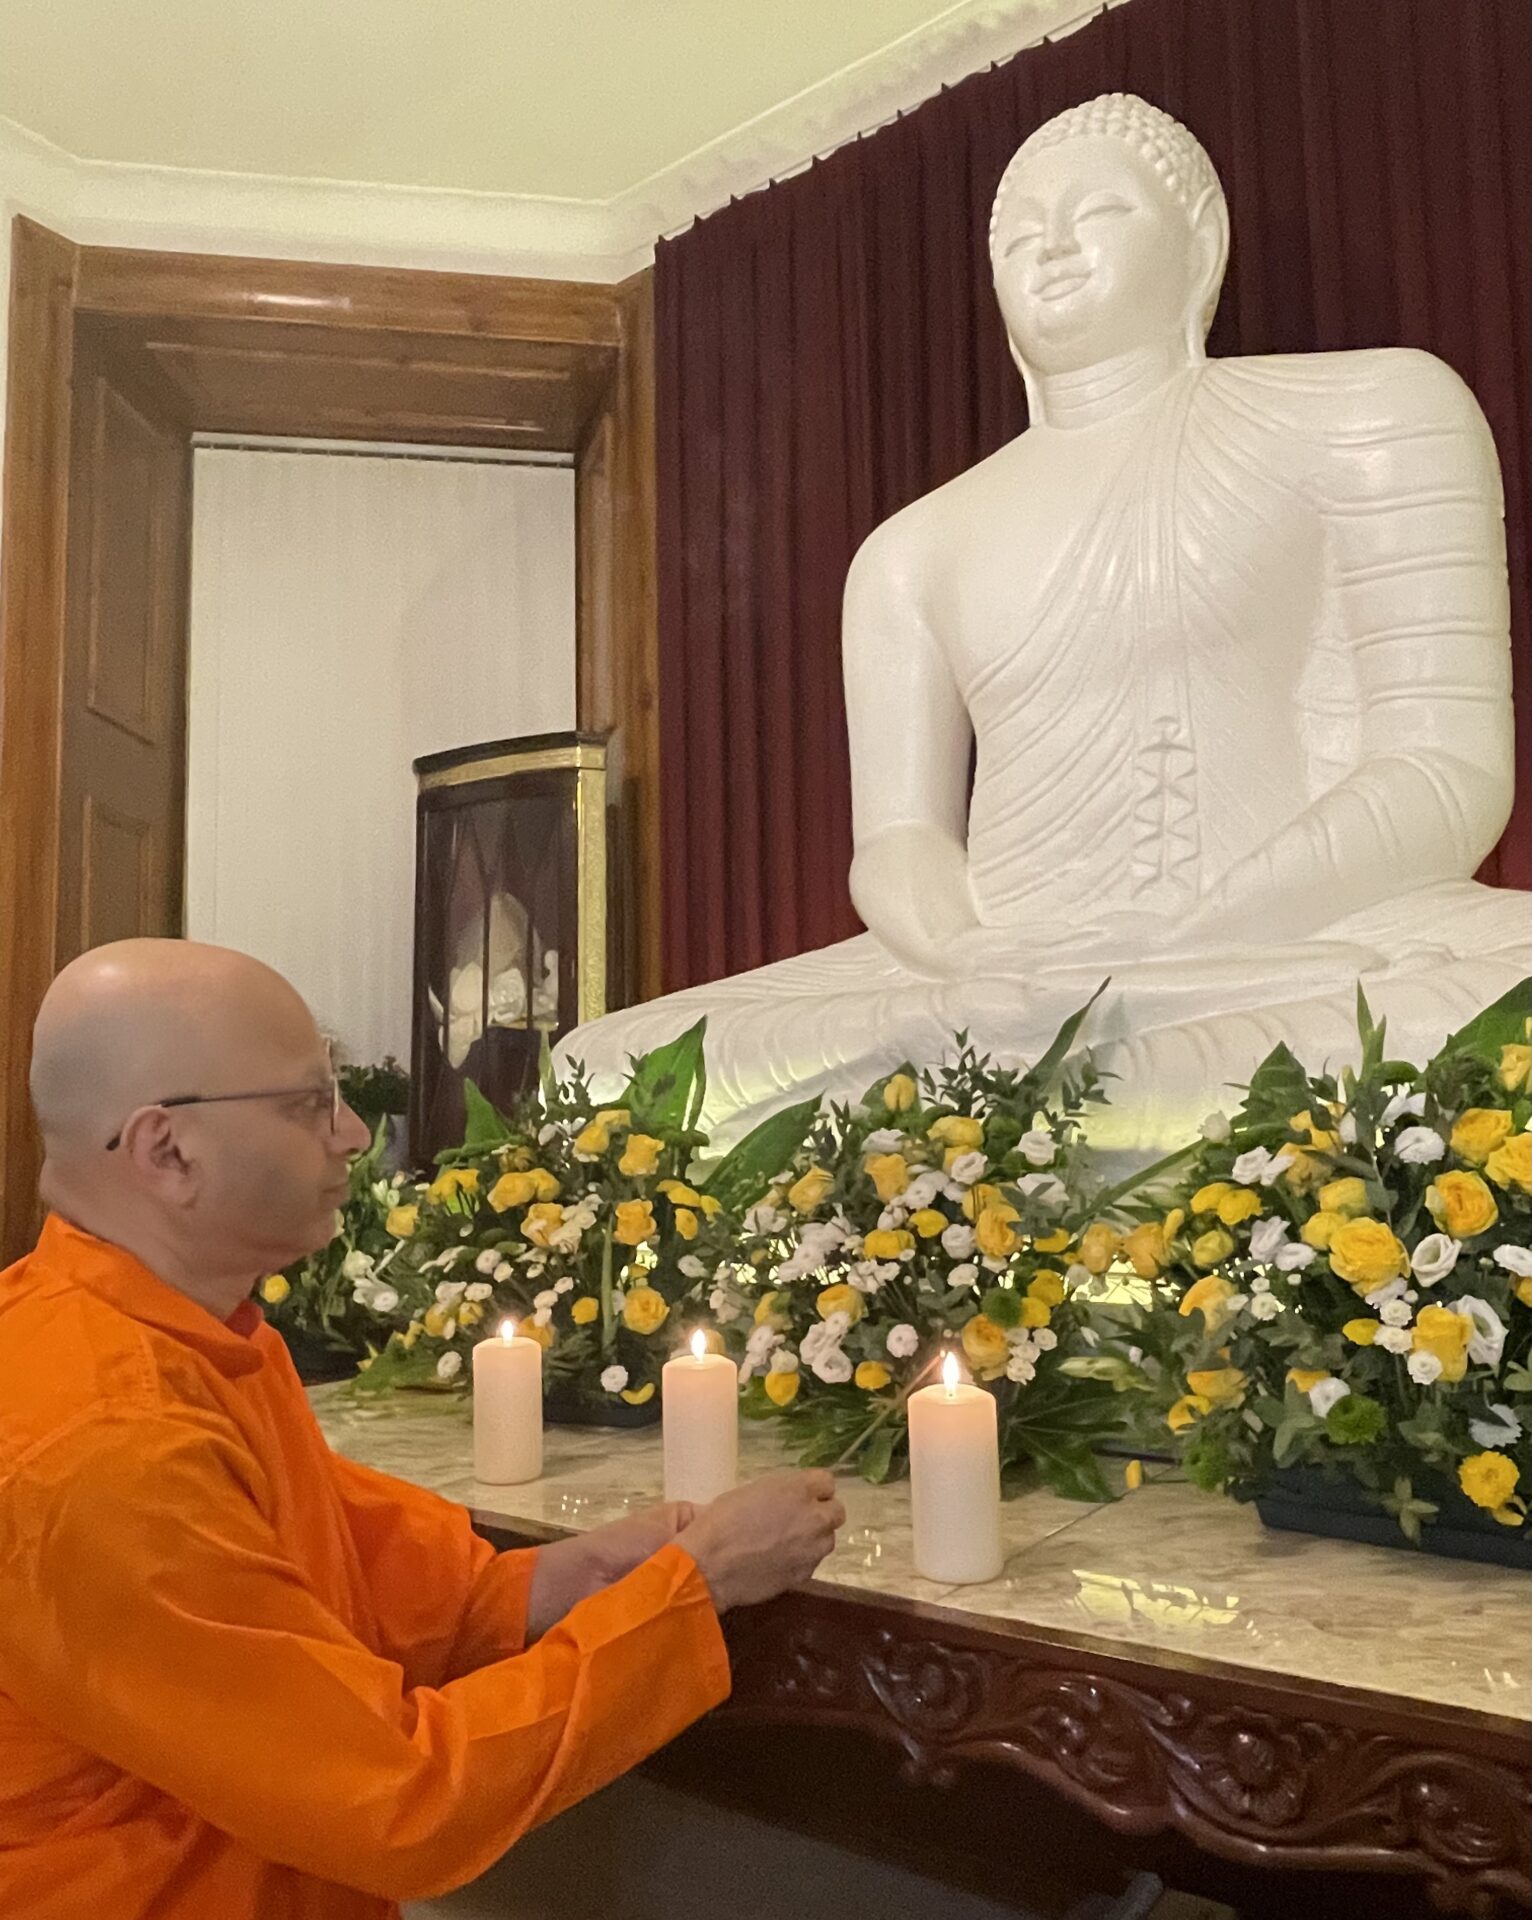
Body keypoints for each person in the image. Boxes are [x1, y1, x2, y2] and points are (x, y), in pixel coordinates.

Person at [561, 92, 1528, 1155]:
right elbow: (899, 841)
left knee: (1484, 999)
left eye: (1098, 213)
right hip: (990, 966)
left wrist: (1184, 933)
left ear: (1197, 245)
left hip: (1288, 934)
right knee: (595, 1075)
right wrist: (970, 954)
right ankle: (1027, 1069)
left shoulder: (1366, 412)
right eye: (1019, 234)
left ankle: (1020, 1091)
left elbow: (1442, 771)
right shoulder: (910, 549)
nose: (1051, 248)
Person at [0, 939, 843, 1920]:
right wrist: (691, 1593)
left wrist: (570, 1575)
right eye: (309, 1102)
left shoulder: (184, 1335)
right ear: (167, 1149)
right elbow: (396, 1797)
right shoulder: (100, 1441)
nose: (353, 1134)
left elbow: (359, 1573)